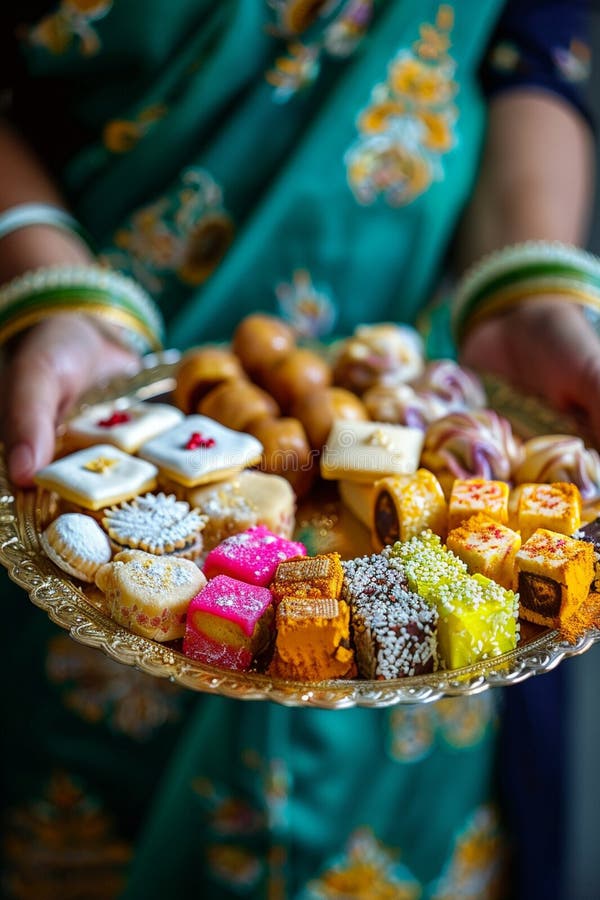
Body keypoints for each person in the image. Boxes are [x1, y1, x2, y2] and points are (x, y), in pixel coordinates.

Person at [0, 1, 596, 897]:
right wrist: (45, 285)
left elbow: (539, 45)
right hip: (93, 413)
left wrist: (526, 288)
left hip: (427, 409)